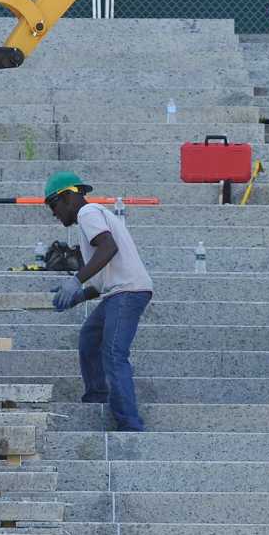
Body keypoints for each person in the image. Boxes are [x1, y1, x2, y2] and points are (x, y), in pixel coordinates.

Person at [43, 171, 154, 433]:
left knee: (114, 354)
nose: (53, 213)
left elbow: (108, 248)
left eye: (53, 205)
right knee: (89, 338)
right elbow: (106, 275)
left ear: (69, 197)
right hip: (119, 291)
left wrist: (75, 281)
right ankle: (97, 397)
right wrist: (80, 295)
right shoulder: (93, 215)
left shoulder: (87, 213)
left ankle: (129, 424)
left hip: (127, 292)